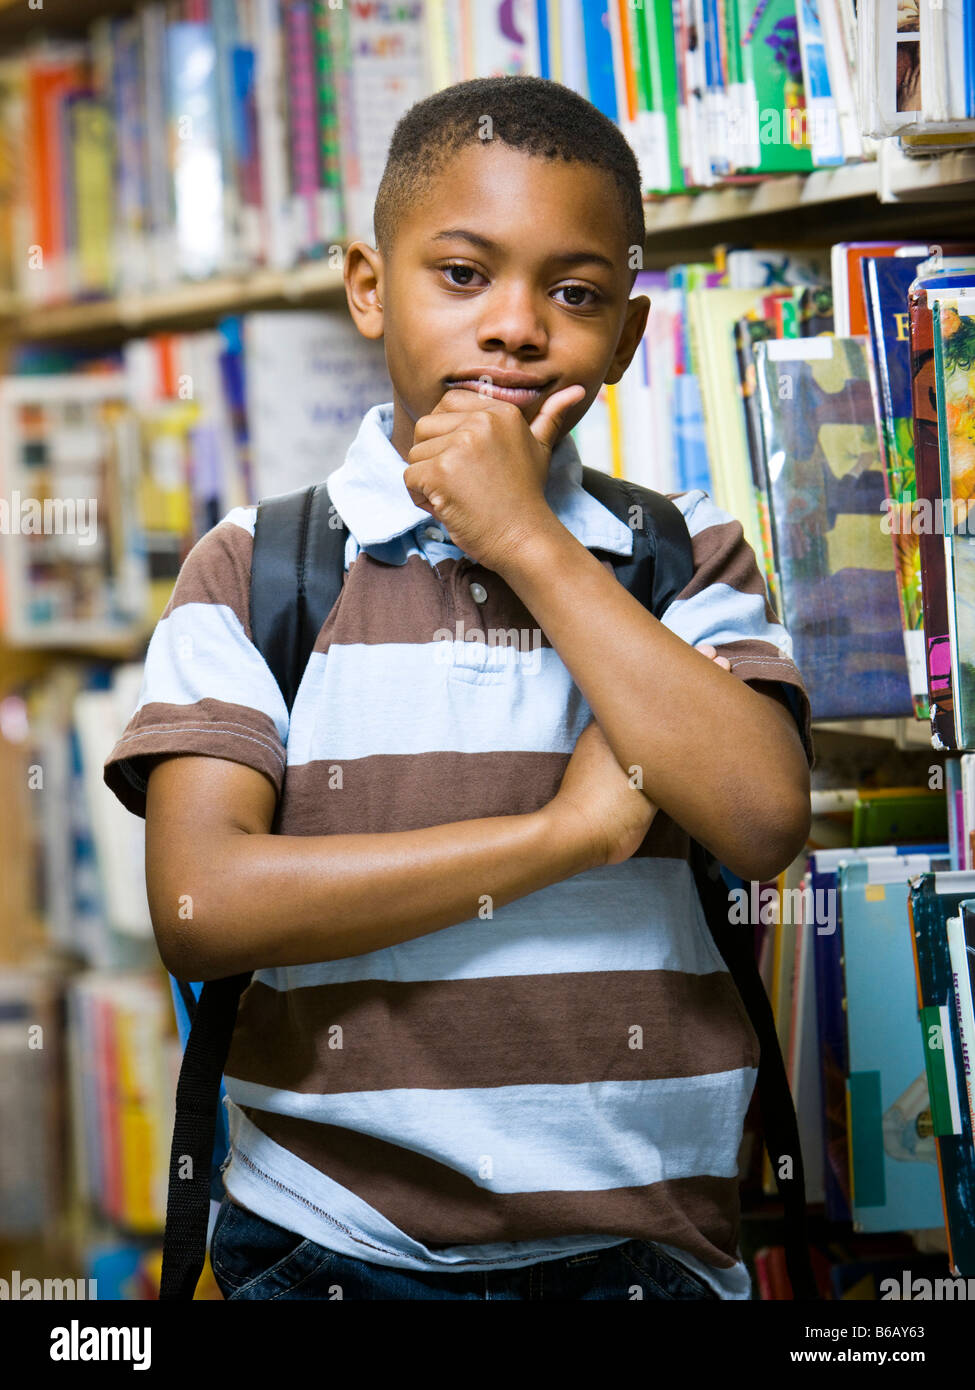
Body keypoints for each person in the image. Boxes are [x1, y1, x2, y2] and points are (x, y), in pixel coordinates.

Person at [103, 74, 814, 1301]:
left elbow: (762, 819)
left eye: (575, 293)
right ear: (369, 288)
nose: (517, 328)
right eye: (463, 275)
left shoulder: (677, 555)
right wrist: (564, 836)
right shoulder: (258, 565)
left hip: (643, 1255)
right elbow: (202, 903)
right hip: (335, 1242)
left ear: (629, 340)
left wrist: (530, 540)